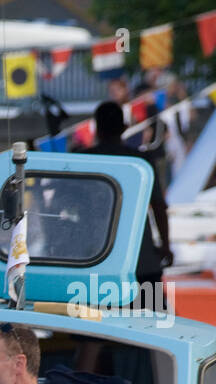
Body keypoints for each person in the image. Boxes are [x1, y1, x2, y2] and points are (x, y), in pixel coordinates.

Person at [80, 100, 172, 303]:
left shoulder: (81, 161)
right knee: (151, 325)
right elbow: (158, 207)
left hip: (92, 262)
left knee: (95, 328)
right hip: (141, 261)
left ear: (97, 128)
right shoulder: (141, 162)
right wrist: (165, 246)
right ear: (124, 128)